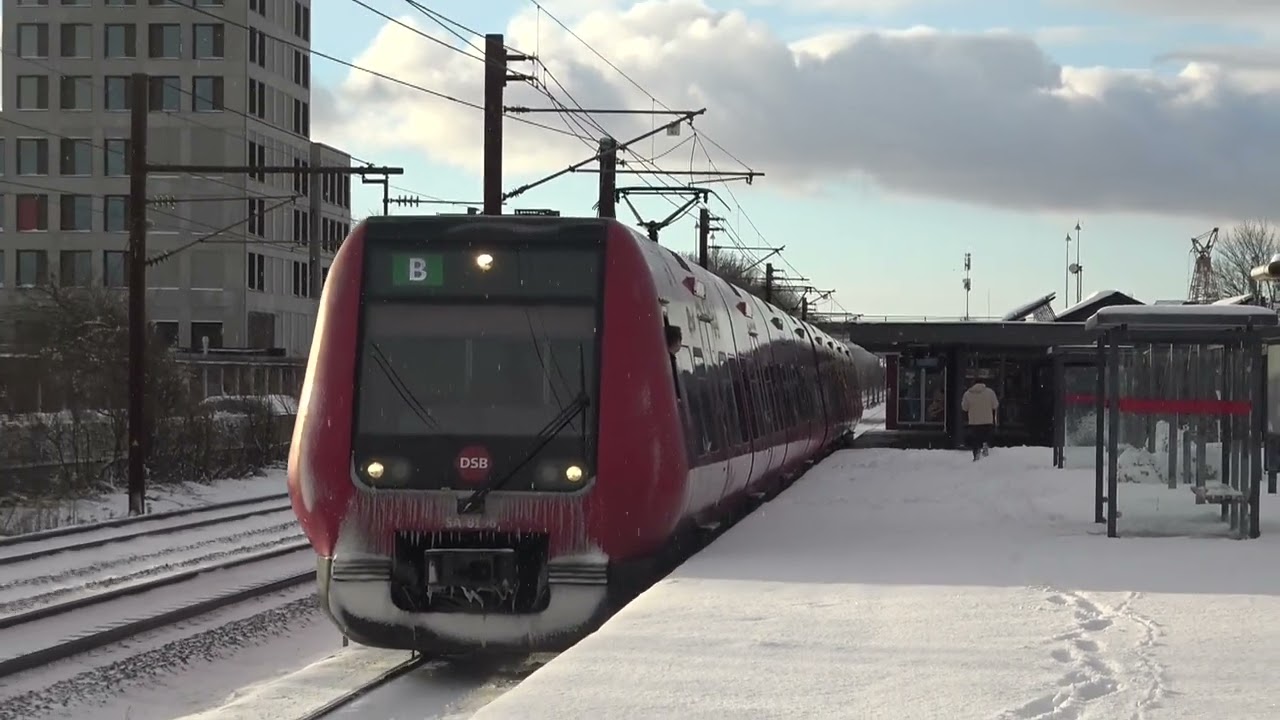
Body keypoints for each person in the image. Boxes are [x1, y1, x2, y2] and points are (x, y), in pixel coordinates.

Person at [961, 379, 999, 461]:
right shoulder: (990, 392)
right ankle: (985, 445)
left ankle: (976, 453)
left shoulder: (967, 394)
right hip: (987, 420)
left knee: (975, 439)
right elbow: (995, 405)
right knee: (986, 436)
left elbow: (964, 407)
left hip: (974, 422)